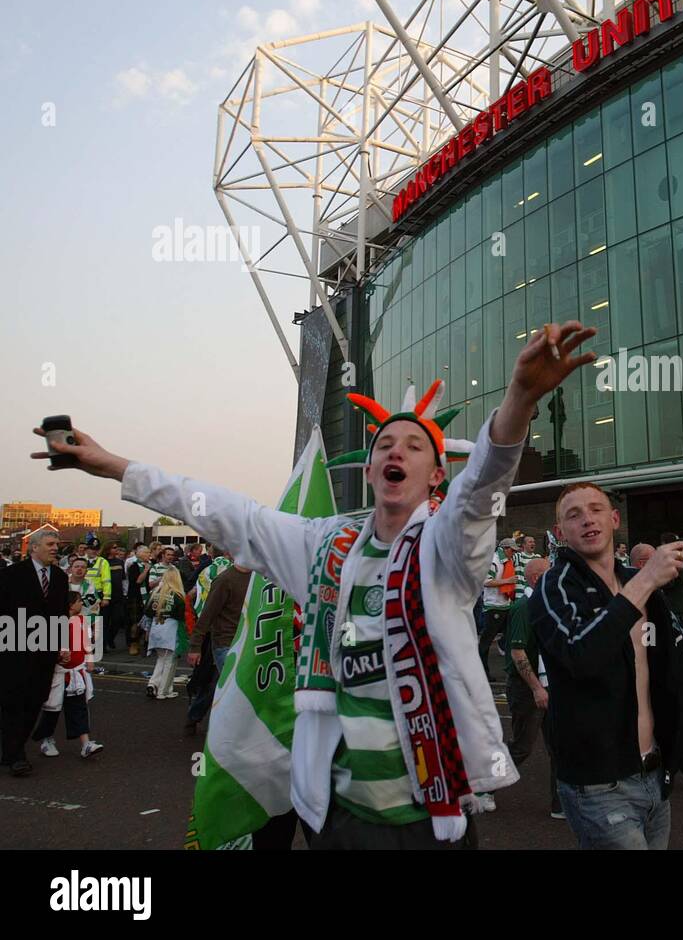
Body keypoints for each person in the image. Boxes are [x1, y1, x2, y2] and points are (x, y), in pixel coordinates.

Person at [33, 319, 596, 849]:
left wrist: (520, 398)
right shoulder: (320, 543)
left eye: (415, 445)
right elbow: (228, 512)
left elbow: (482, 487)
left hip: (430, 816)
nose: (395, 450)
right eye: (383, 446)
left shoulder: (446, 547)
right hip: (334, 816)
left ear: (436, 474)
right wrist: (112, 465)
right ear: (371, 471)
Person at [531, 482, 683, 849]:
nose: (587, 520)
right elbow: (581, 655)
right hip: (598, 785)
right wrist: (646, 580)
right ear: (559, 532)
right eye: (573, 515)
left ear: (614, 519)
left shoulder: (637, 584)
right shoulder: (555, 587)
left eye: (596, 509)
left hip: (653, 774)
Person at [632, 541, 683, 791]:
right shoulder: (633, 591)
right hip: (642, 675)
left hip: (660, 671)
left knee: (666, 722)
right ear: (641, 564)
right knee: (660, 724)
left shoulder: (654, 592)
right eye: (651, 559)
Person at [0, 531, 70, 776]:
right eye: (50, 544)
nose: (55, 548)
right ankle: (15, 754)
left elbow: (62, 613)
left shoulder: (60, 578)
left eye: (56, 545)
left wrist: (63, 645)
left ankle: (10, 749)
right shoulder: (12, 574)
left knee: (35, 700)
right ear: (34, 548)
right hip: (14, 647)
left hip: (46, 651)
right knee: (13, 700)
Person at [504, 557, 560, 818]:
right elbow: (517, 652)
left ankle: (560, 804)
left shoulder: (545, 606)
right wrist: (537, 688)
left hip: (548, 685)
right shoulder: (524, 607)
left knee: (559, 746)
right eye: (551, 573)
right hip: (527, 688)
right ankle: (484, 786)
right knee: (522, 747)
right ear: (538, 578)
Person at [33, 587, 103, 760]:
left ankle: (85, 744)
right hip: (59, 674)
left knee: (78, 708)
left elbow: (86, 642)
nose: (81, 603)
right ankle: (46, 740)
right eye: (79, 601)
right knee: (52, 709)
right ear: (71, 605)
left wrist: (89, 658)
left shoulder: (81, 620)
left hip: (76, 673)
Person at [184, 561, 252, 735]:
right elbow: (207, 614)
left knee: (216, 685)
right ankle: (228, 733)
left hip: (249, 641)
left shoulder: (260, 578)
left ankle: (194, 715)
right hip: (225, 642)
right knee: (234, 688)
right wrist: (195, 647)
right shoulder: (225, 580)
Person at [479, 537, 519, 679]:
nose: (513, 553)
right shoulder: (494, 561)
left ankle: (511, 670)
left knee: (510, 638)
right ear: (506, 549)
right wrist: (507, 581)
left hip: (505, 605)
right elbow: (486, 582)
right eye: (512, 551)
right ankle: (483, 671)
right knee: (486, 641)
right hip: (493, 606)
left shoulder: (507, 561)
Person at [146, 564, 187, 699]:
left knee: (161, 658)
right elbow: (181, 616)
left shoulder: (156, 593)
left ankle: (153, 683)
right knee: (170, 661)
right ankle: (163, 691)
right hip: (170, 630)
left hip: (156, 628)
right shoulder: (178, 595)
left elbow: (147, 612)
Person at [124, 543, 151, 656]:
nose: (148, 555)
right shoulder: (134, 566)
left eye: (149, 552)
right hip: (135, 596)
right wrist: (145, 570)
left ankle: (145, 644)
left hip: (146, 596)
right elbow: (138, 581)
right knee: (135, 622)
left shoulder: (150, 565)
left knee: (146, 621)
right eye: (146, 553)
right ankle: (133, 644)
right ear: (139, 554)